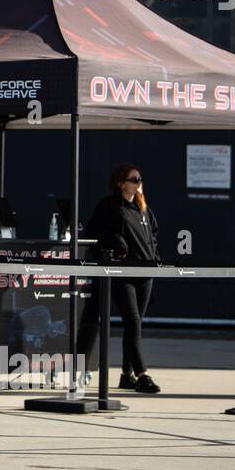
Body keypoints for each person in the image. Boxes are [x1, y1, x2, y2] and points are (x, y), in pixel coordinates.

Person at [76, 163, 161, 394]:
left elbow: (153, 235)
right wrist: (115, 241)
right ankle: (143, 374)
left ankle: (127, 373)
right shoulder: (110, 206)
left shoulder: (143, 209)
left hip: (145, 272)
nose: (138, 182)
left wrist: (155, 258)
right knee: (132, 321)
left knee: (136, 324)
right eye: (134, 179)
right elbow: (93, 232)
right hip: (123, 273)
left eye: (140, 179)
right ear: (121, 183)